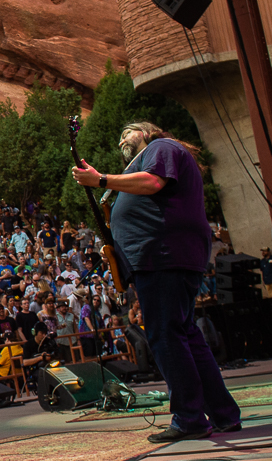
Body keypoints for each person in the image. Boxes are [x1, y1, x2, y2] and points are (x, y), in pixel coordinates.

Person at [74, 121, 242, 442]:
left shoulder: (161, 147)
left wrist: (102, 180)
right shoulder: (154, 155)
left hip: (164, 255)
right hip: (163, 257)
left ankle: (190, 418)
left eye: (127, 132)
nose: (122, 140)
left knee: (165, 335)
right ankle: (223, 414)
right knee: (183, 334)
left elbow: (152, 182)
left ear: (147, 131)